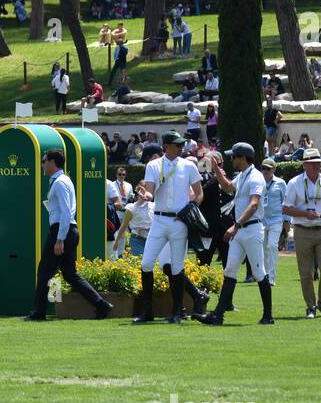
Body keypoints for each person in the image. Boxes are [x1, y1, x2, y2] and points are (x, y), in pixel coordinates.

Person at [22, 149, 112, 321]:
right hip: (68, 229)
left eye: (44, 161)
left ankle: (38, 312)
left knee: (44, 271)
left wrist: (60, 239)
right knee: (70, 274)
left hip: (62, 230)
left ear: (52, 162)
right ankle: (101, 305)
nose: (42, 164)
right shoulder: (62, 180)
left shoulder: (60, 183)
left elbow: (65, 213)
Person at [196, 142, 272, 325]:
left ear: (243, 158)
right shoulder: (244, 175)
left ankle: (268, 316)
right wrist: (216, 171)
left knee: (259, 272)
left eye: (234, 156)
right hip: (241, 231)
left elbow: (254, 204)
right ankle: (218, 315)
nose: (231, 159)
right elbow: (228, 188)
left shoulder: (255, 177)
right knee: (230, 270)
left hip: (251, 229)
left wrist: (236, 225)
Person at [130, 132, 203, 324]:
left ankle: (177, 311)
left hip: (179, 222)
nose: (181, 148)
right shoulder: (154, 165)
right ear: (167, 146)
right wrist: (146, 196)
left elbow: (199, 193)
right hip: (160, 220)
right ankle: (148, 311)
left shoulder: (188, 165)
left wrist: (191, 209)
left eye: (181, 145)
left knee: (177, 266)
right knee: (146, 263)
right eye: (177, 145)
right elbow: (151, 192)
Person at [282, 148, 321, 319]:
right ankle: (311, 307)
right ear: (304, 165)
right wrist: (305, 214)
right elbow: (285, 208)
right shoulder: (294, 183)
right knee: (306, 272)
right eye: (313, 163)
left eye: (318, 163)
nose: (316, 166)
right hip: (302, 231)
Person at [259, 157, 288, 287]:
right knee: (263, 249)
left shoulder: (281, 183)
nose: (265, 171)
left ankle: (271, 277)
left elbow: (286, 202)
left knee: (272, 245)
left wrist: (287, 221)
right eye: (263, 168)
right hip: (261, 220)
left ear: (273, 169)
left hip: (276, 219)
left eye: (268, 169)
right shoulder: (258, 181)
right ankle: (264, 276)